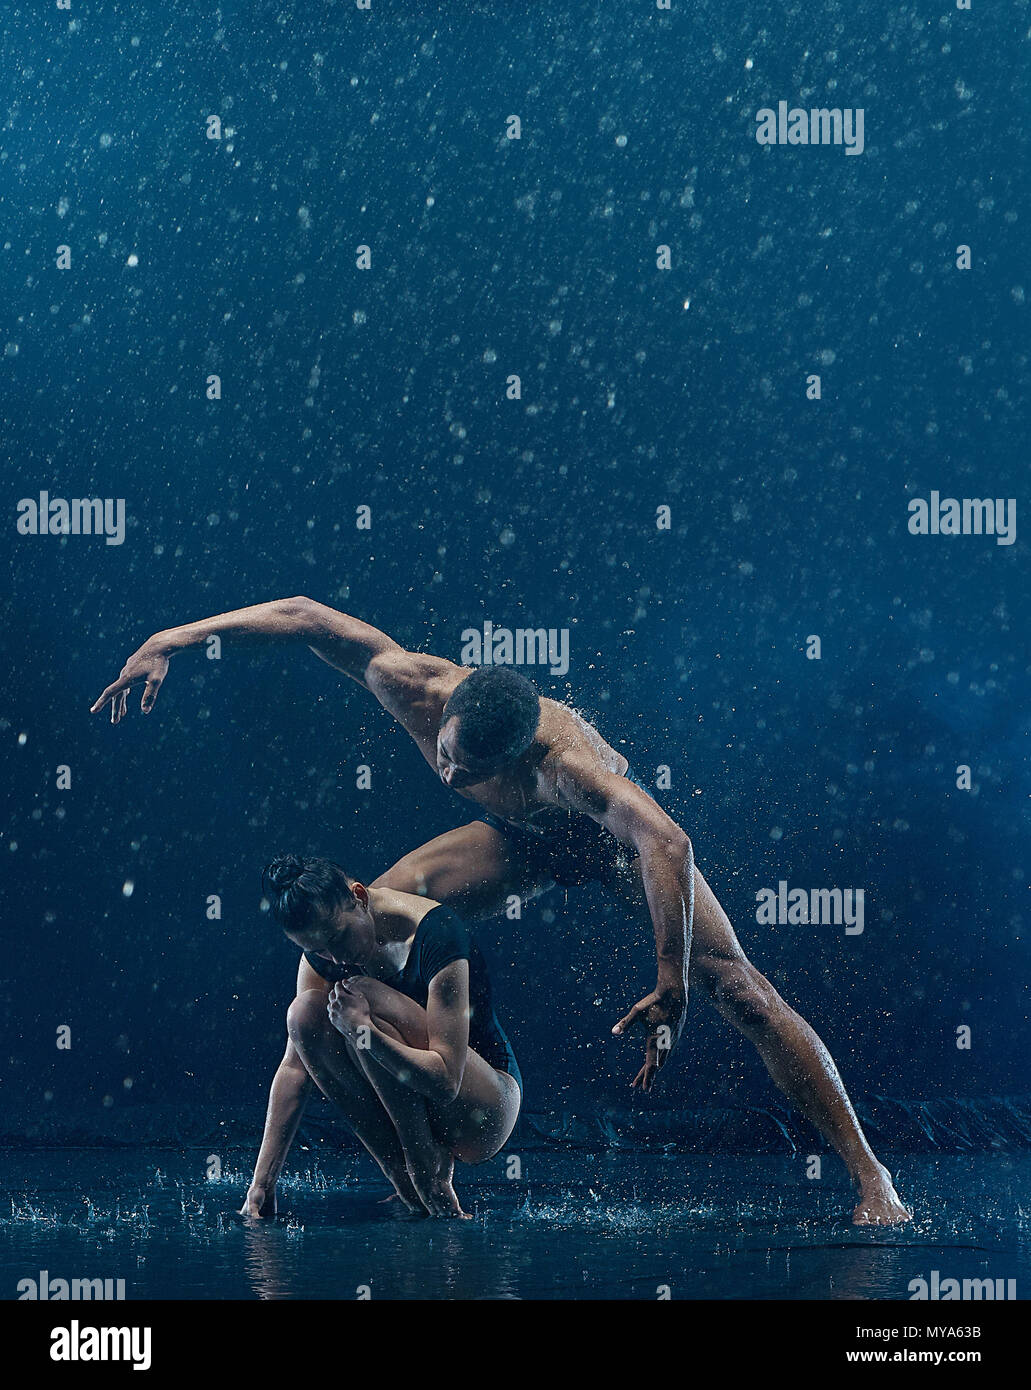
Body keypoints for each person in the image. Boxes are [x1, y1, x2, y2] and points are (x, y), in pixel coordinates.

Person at [92, 595, 911, 1224]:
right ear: (441, 715)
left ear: (520, 753)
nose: (446, 777)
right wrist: (171, 640)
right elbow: (304, 617)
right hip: (511, 840)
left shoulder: (570, 771)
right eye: (444, 758)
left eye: (470, 768)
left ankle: (873, 1180)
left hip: (603, 846)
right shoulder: (410, 684)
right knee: (355, 920)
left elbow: (666, 843)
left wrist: (671, 983)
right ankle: (401, 1150)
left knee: (742, 991)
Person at [241, 854, 521, 1219]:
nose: (334, 957)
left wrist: (364, 1033)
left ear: (359, 896)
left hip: (483, 1109)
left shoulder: (437, 934)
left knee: (362, 998)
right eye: (316, 950)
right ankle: (399, 1171)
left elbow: (446, 1082)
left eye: (337, 938)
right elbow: (295, 1069)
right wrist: (262, 1183)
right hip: (414, 1104)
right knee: (304, 1014)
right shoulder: (324, 954)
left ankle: (423, 1169)